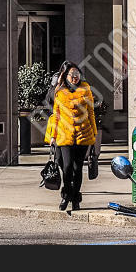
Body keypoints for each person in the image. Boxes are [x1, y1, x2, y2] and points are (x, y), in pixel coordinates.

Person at [43, 61, 98, 214]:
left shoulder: (86, 89)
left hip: (83, 134)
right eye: (72, 75)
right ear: (65, 76)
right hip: (64, 134)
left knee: (77, 167)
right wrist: (53, 136)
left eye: (77, 75)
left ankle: (75, 198)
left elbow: (91, 112)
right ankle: (66, 194)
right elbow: (56, 115)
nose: (75, 77)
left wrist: (94, 133)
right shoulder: (59, 92)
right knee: (66, 166)